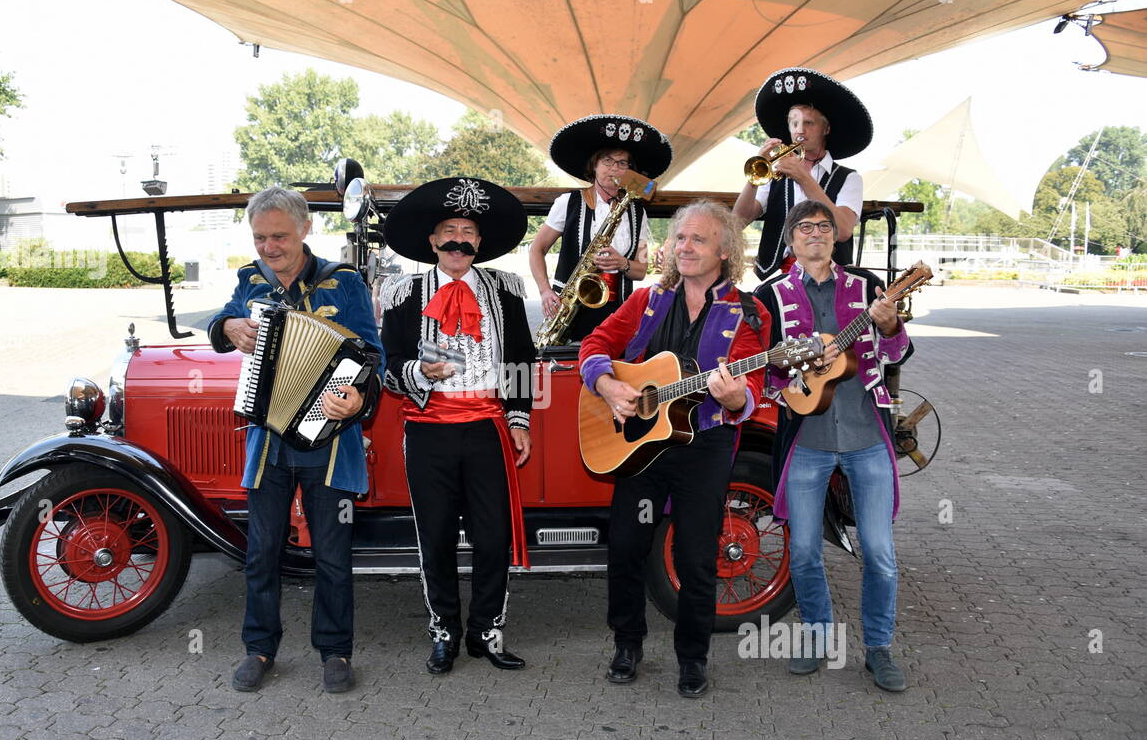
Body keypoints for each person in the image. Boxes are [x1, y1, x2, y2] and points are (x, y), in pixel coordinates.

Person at [578, 200, 768, 697]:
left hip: (704, 443)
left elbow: (753, 390)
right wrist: (607, 386)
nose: (685, 247)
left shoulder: (750, 312)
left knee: (697, 555)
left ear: (724, 250)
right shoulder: (648, 300)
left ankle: (693, 657)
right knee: (626, 547)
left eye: (698, 239)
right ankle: (627, 642)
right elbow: (594, 344)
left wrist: (735, 397)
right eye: (680, 238)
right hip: (640, 446)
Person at [207, 185, 384, 695]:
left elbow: (372, 354)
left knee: (332, 553)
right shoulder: (250, 280)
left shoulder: (343, 282)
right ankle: (259, 648)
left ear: (305, 229)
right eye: (260, 238)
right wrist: (230, 325)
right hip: (268, 440)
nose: (268, 248)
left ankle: (335, 651)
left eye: (279, 237)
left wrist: (356, 398)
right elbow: (220, 325)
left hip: (329, 438)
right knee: (261, 551)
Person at [379, 177, 537, 674]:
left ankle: (486, 633)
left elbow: (522, 359)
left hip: (487, 427)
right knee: (438, 536)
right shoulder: (405, 294)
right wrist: (416, 373)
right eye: (448, 231)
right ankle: (443, 631)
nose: (458, 241)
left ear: (478, 241)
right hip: (428, 429)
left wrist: (518, 419)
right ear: (432, 241)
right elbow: (387, 367)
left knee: (492, 537)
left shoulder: (506, 290)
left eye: (467, 232)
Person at [754, 199, 913, 692]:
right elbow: (762, 368)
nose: (817, 234)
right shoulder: (768, 295)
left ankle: (879, 649)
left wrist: (888, 325)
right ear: (791, 239)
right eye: (805, 228)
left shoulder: (866, 287)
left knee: (880, 552)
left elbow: (897, 352)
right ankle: (818, 636)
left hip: (867, 434)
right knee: (802, 549)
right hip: (808, 438)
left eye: (824, 226)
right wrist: (792, 379)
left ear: (835, 237)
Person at [529, 115, 672, 342]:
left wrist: (621, 263)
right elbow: (536, 249)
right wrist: (545, 291)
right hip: (571, 309)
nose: (614, 169)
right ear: (593, 166)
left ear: (629, 171)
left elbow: (641, 270)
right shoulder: (568, 203)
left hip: (618, 309)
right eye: (607, 161)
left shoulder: (637, 212)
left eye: (622, 163)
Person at [732, 68, 872, 280]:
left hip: (829, 280)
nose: (800, 130)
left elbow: (843, 230)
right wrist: (754, 178)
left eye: (809, 123)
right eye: (794, 123)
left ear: (825, 129)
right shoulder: (777, 172)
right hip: (776, 276)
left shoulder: (849, 178)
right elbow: (737, 222)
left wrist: (803, 178)